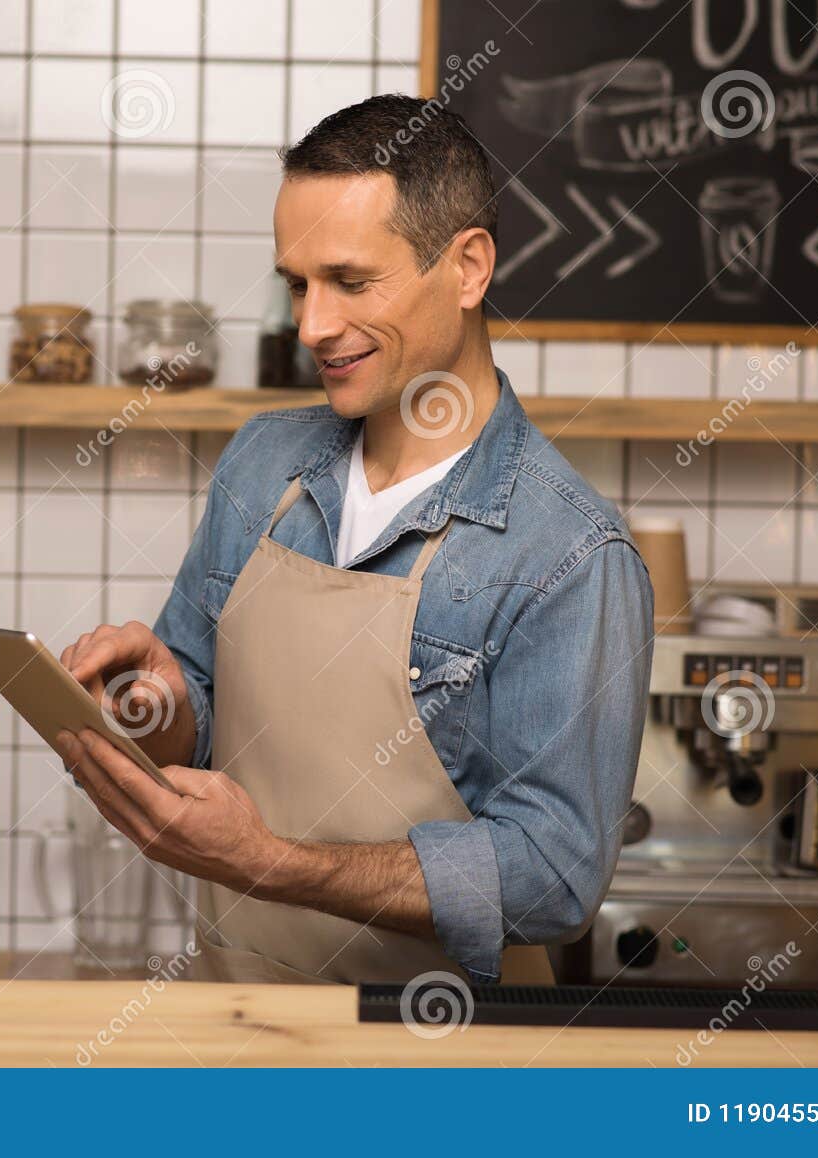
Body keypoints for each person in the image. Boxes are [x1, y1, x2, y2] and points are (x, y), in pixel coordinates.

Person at [56, 94, 654, 985]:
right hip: (237, 1030)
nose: (312, 326)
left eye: (351, 281)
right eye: (298, 284)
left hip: (443, 1066)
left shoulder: (568, 554)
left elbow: (554, 878)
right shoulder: (263, 463)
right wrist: (156, 702)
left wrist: (271, 863)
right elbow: (205, 729)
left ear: (468, 267)